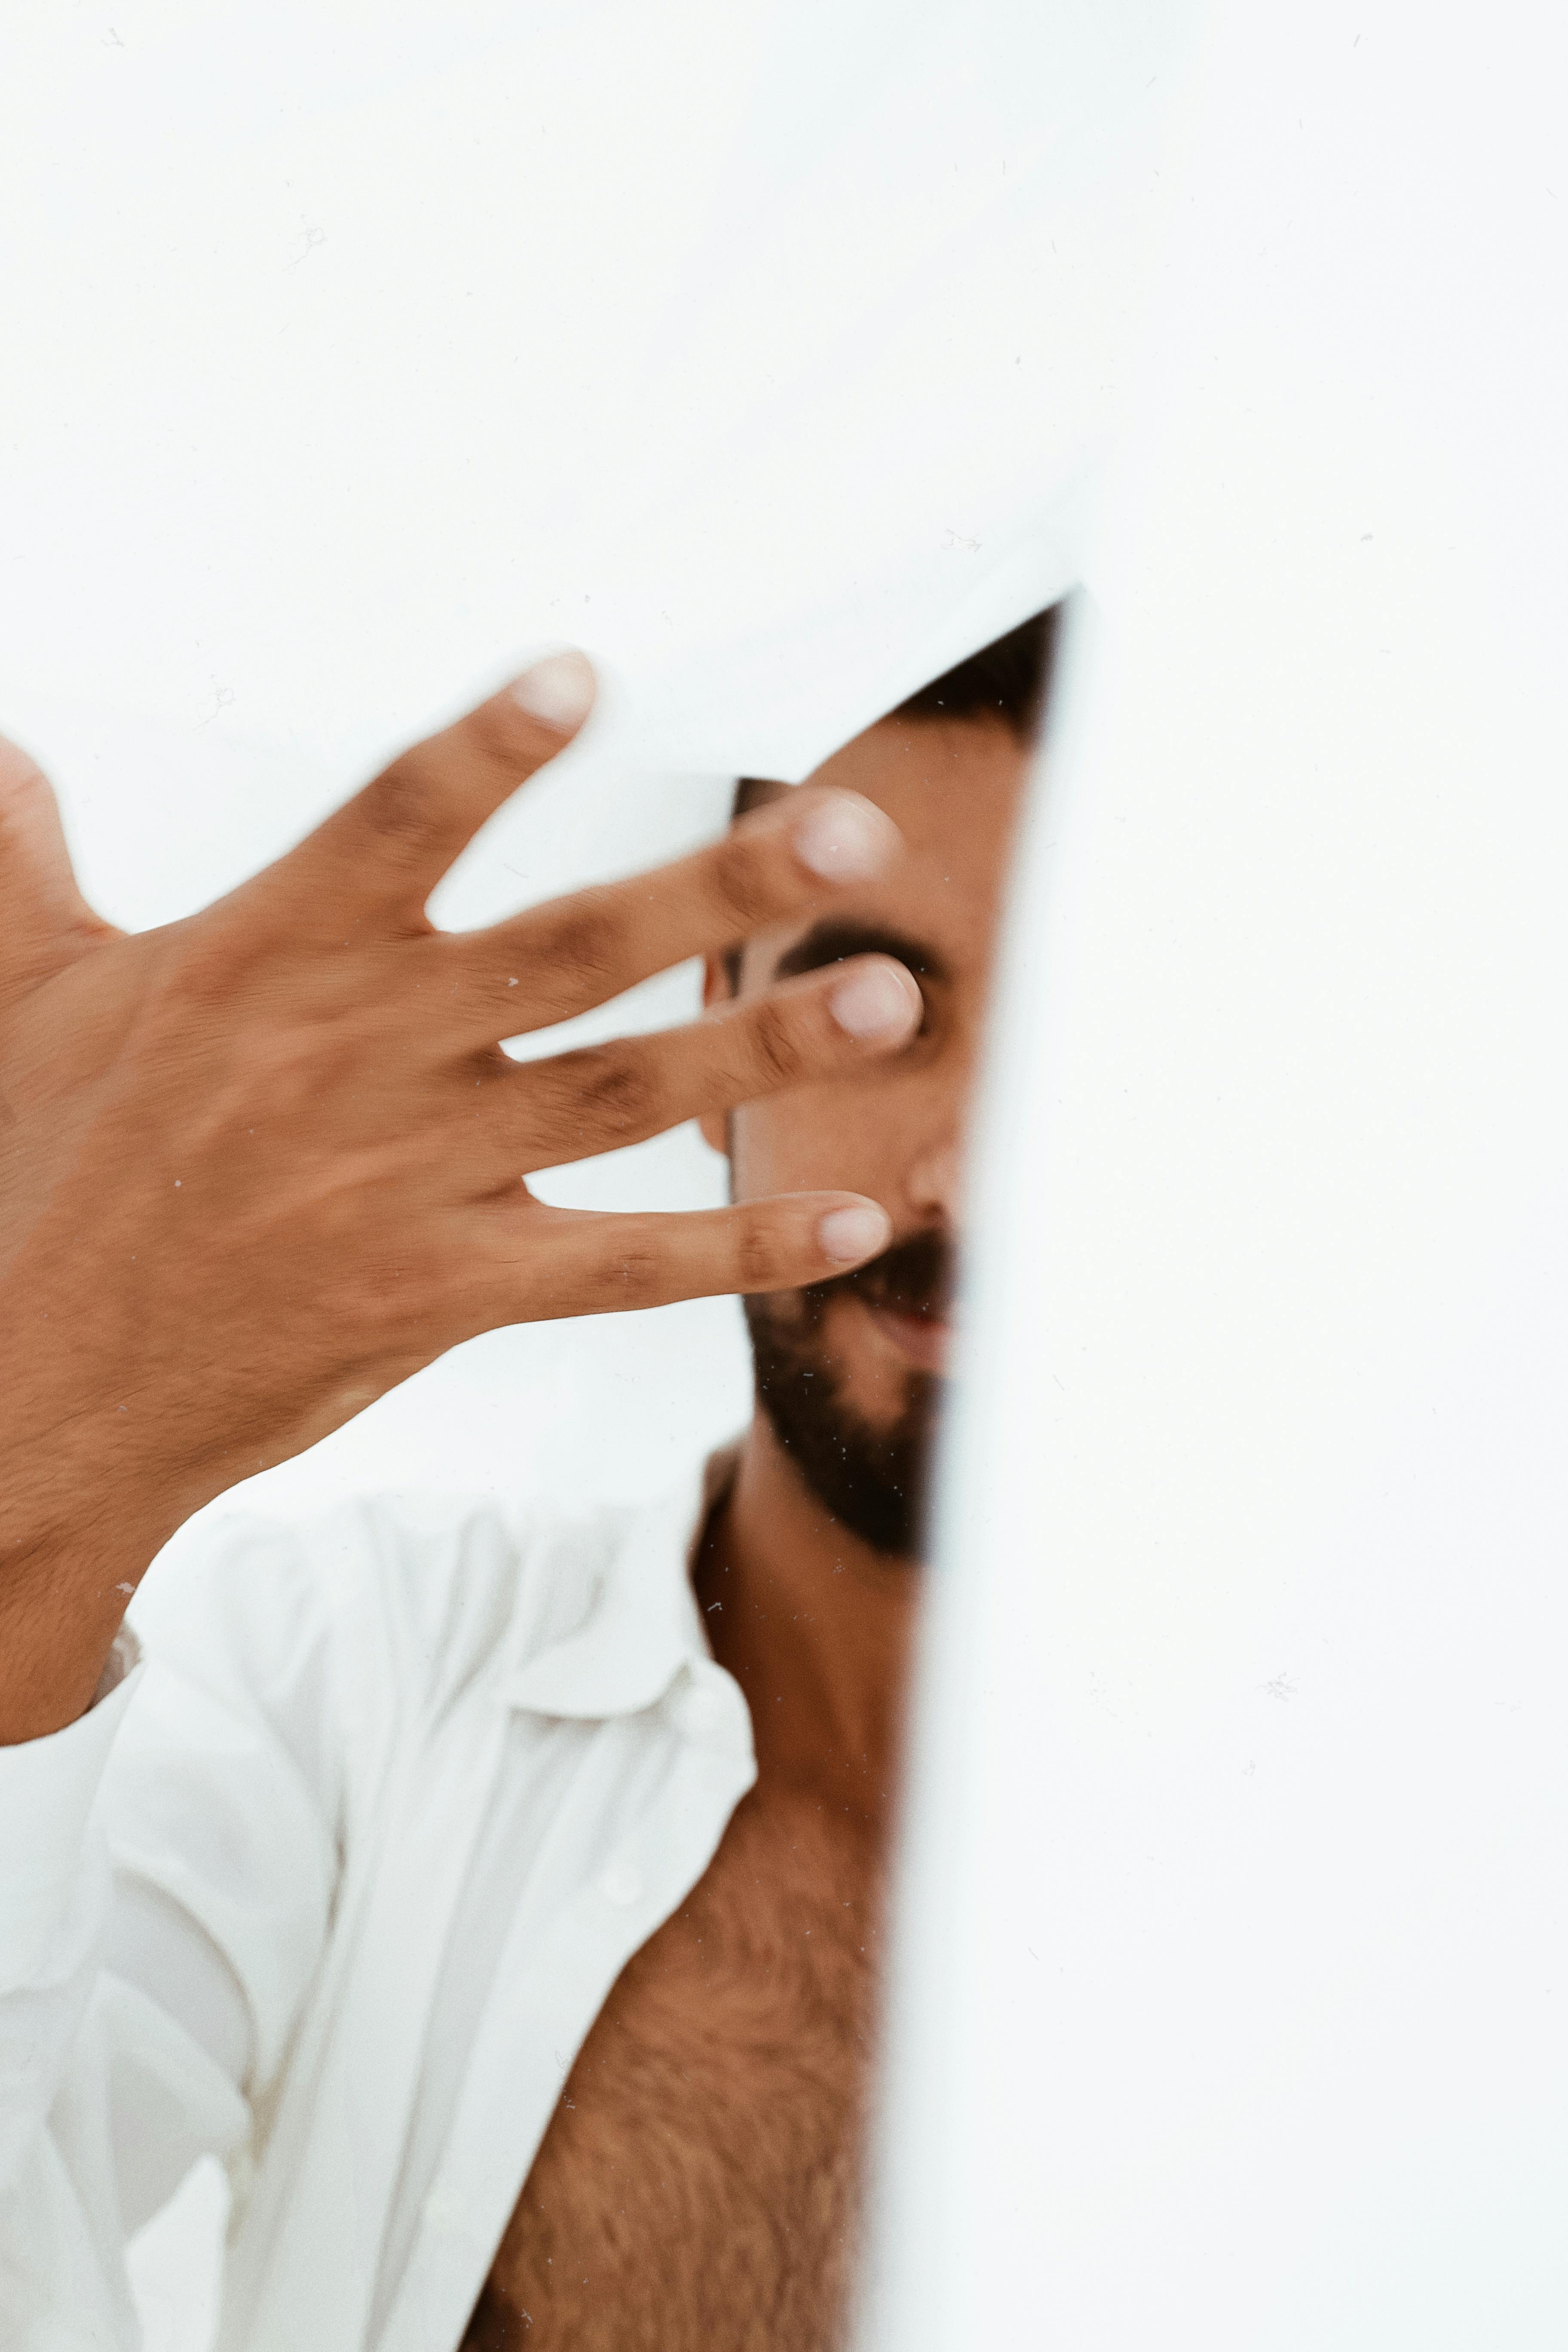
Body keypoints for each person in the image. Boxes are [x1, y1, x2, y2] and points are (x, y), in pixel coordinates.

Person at [0, 609, 1057, 2352]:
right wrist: (34, 1464)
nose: (972, 1169)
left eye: (1088, 1037)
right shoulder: (354, 1671)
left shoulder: (1456, 1837)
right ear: (727, 1025)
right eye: (884, 1011)